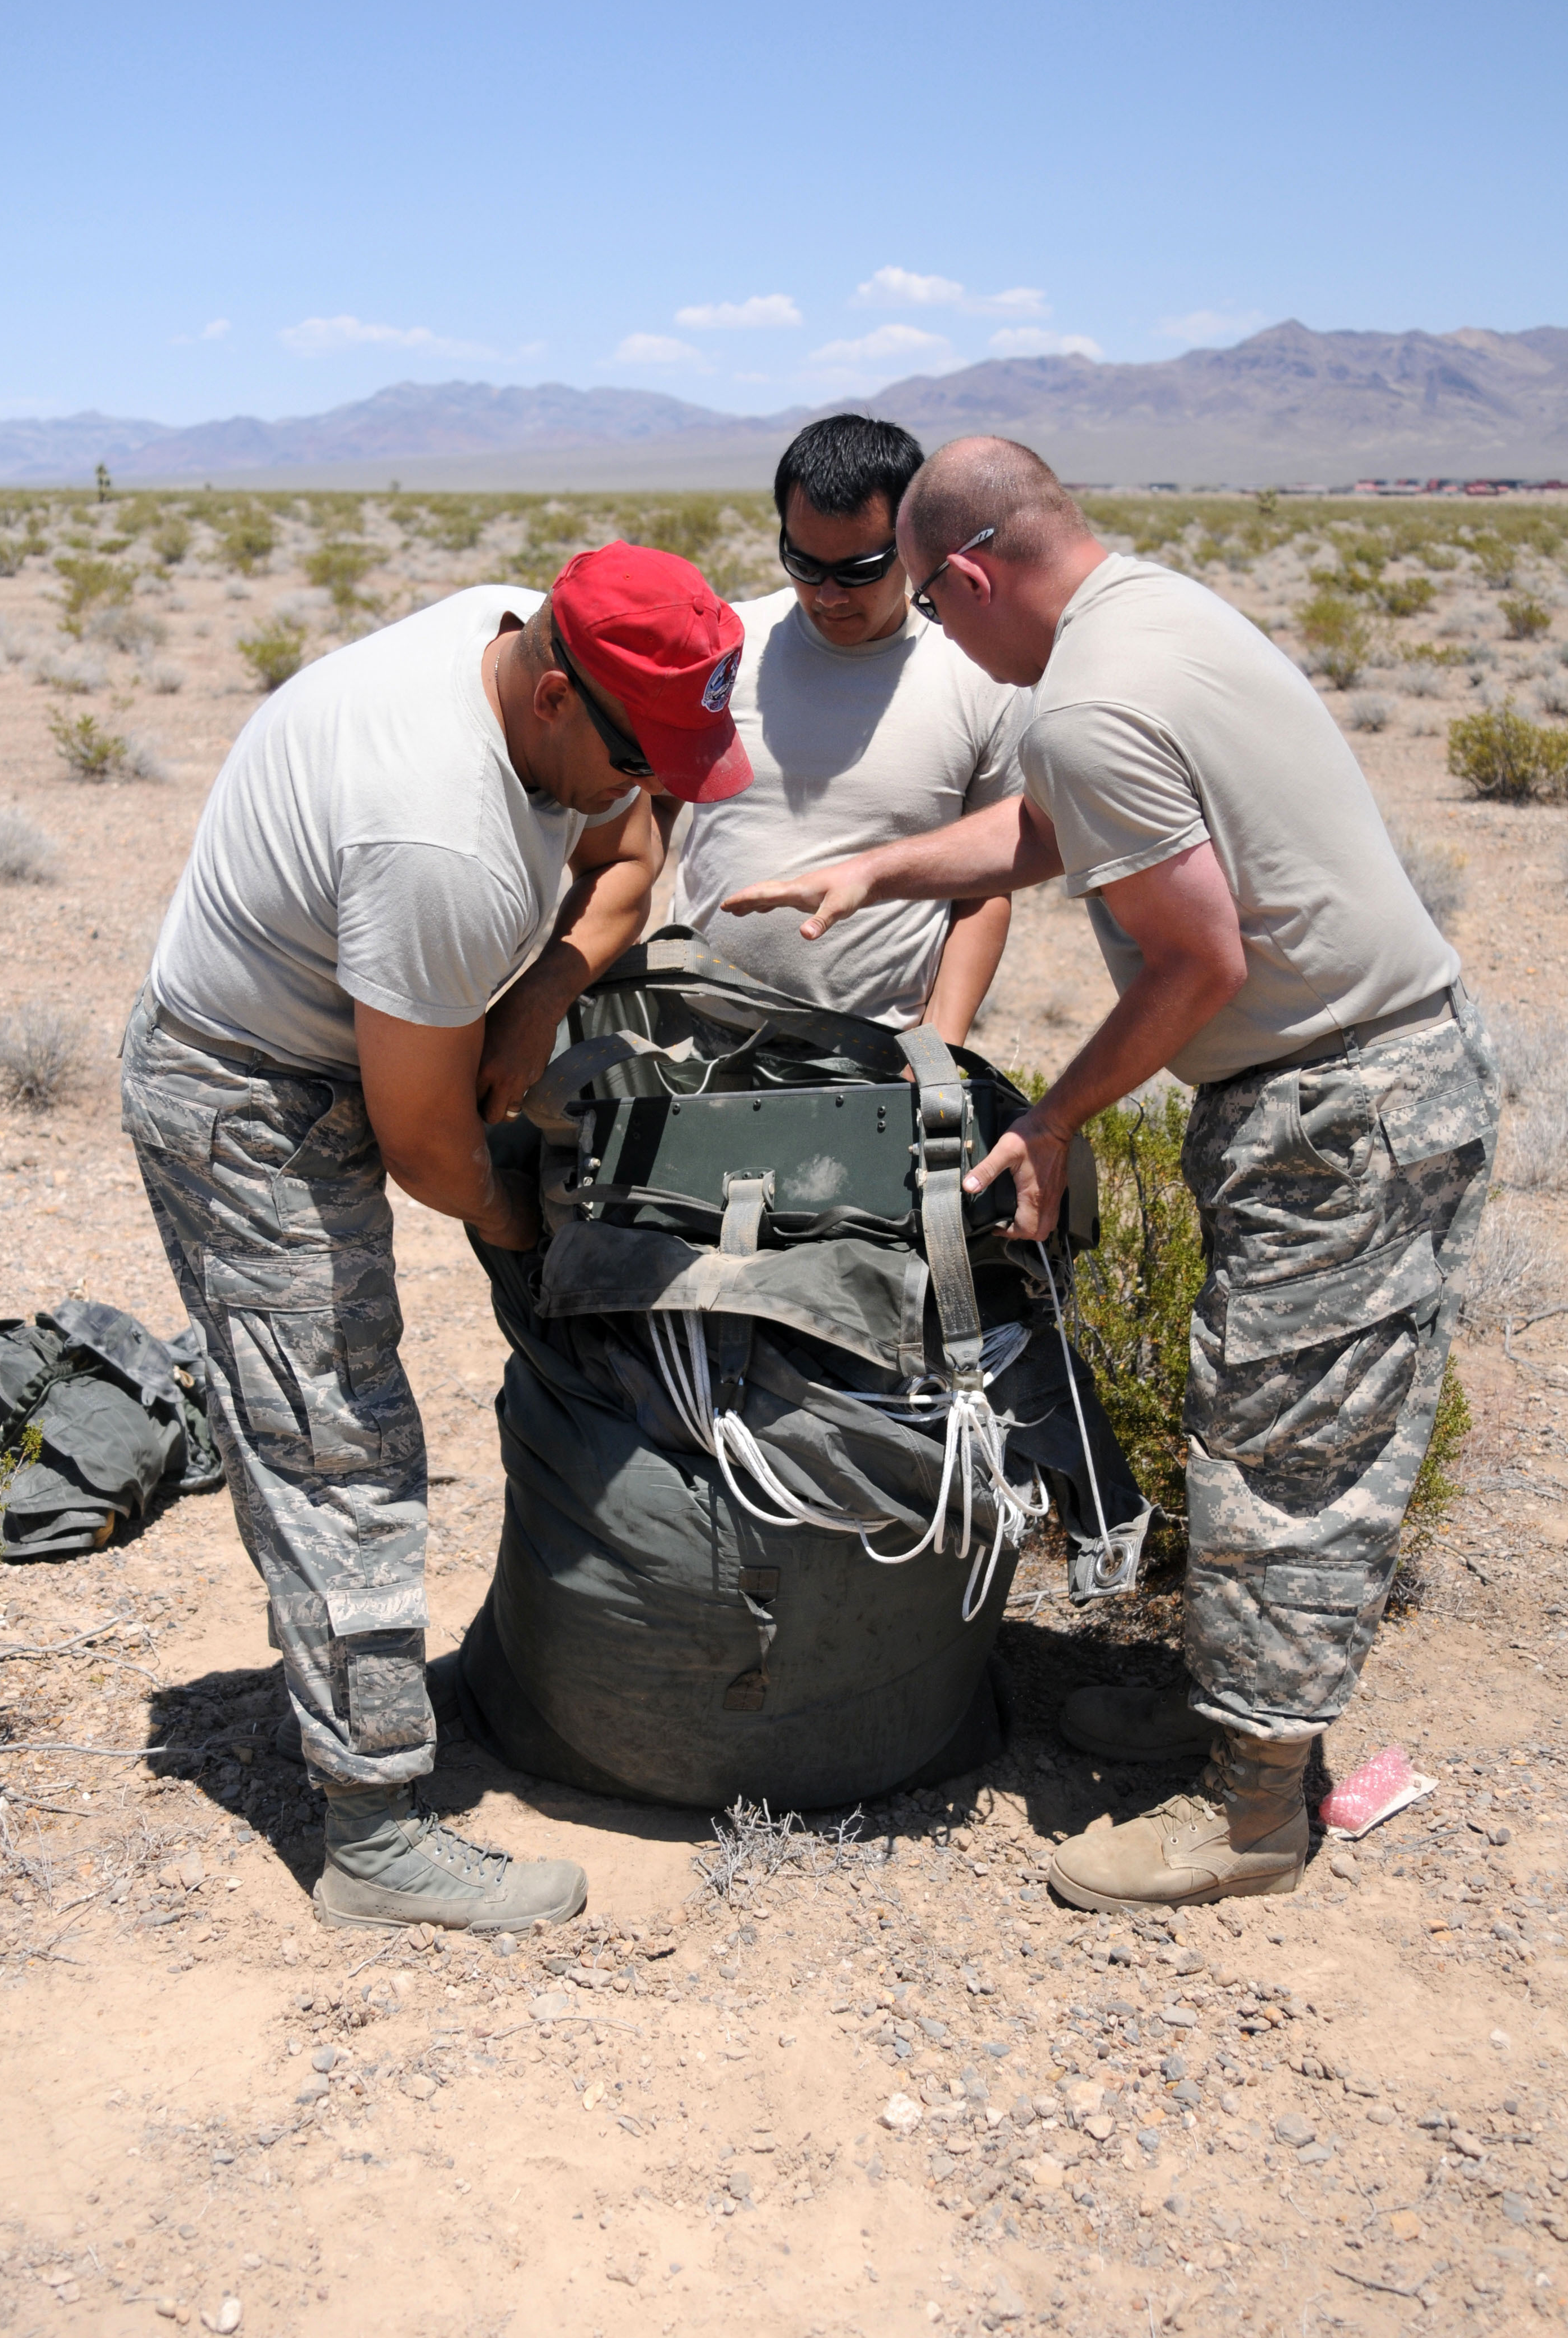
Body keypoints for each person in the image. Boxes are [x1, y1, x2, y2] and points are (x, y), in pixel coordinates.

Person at [725, 435, 1498, 1913]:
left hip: (1342, 1106)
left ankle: (1253, 1811)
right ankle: (1236, 1715)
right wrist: (879, 870)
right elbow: (1056, 824)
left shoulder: (1086, 697)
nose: (940, 637)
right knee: (1263, 1415)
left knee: (1282, 1450)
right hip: (1360, 1082)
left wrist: (1058, 1116)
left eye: (928, 605)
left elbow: (1201, 959)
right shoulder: (1150, 611)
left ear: (964, 575)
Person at [121, 545, 750, 1933]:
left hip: (351, 1043)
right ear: (552, 698)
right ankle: (374, 1831)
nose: (646, 785)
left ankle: (390, 1696)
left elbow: (628, 857)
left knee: (344, 1417)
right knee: (336, 1436)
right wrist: (520, 1228)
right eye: (637, 755)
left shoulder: (520, 644)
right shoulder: (438, 836)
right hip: (248, 1099)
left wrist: (541, 992)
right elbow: (423, 1146)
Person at [666, 412, 1023, 1039]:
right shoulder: (727, 646)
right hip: (692, 1029)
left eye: (858, 570)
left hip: (871, 1052)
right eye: (803, 564)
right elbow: (647, 811)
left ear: (914, 542)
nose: (828, 596)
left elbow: (988, 885)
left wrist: (939, 1045)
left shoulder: (979, 675)